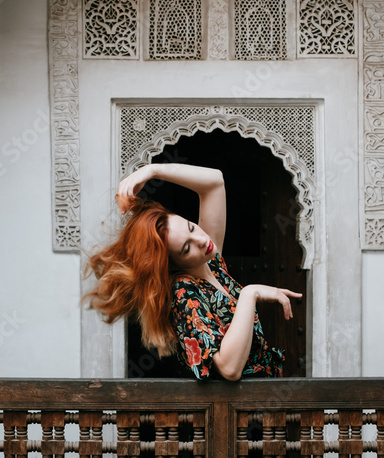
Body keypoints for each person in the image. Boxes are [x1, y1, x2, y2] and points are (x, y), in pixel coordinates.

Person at [83, 162, 301, 380]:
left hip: (263, 394)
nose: (201, 239)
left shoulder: (211, 263)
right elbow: (229, 369)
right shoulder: (184, 293)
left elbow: (214, 183)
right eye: (186, 248)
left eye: (190, 226)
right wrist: (249, 294)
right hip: (238, 401)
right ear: (173, 264)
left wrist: (152, 171)